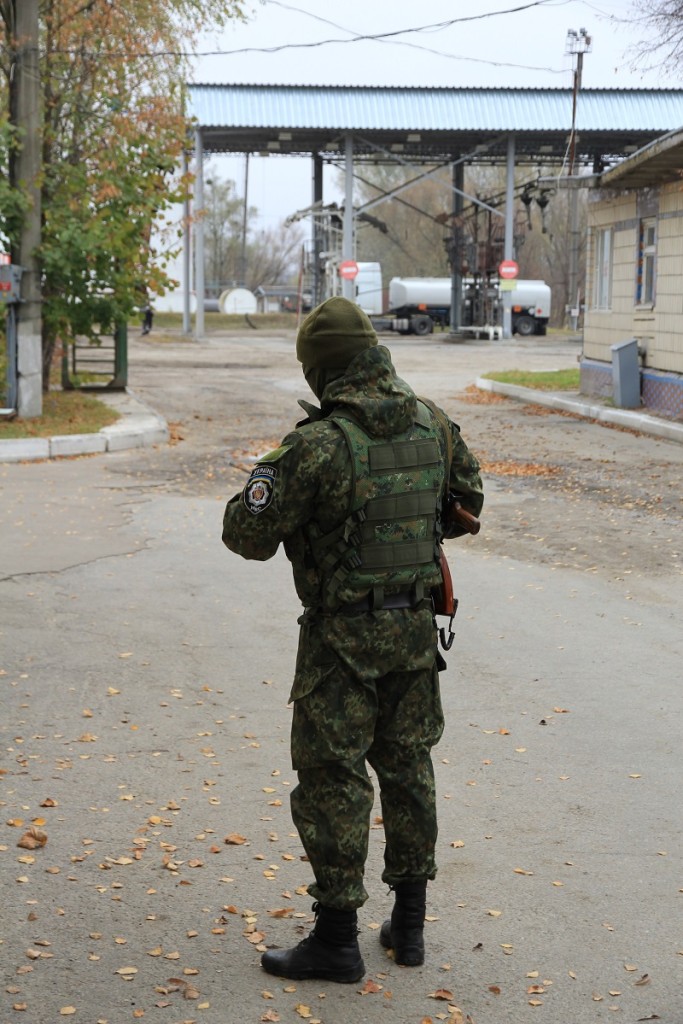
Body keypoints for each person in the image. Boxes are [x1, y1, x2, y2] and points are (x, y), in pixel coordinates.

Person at [221, 296, 483, 983]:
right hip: (412, 630)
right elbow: (466, 506)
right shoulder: (434, 424)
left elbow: (244, 537)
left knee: (333, 779)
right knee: (407, 767)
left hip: (340, 639)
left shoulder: (316, 445)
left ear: (323, 371)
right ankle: (410, 925)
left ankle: (336, 940)